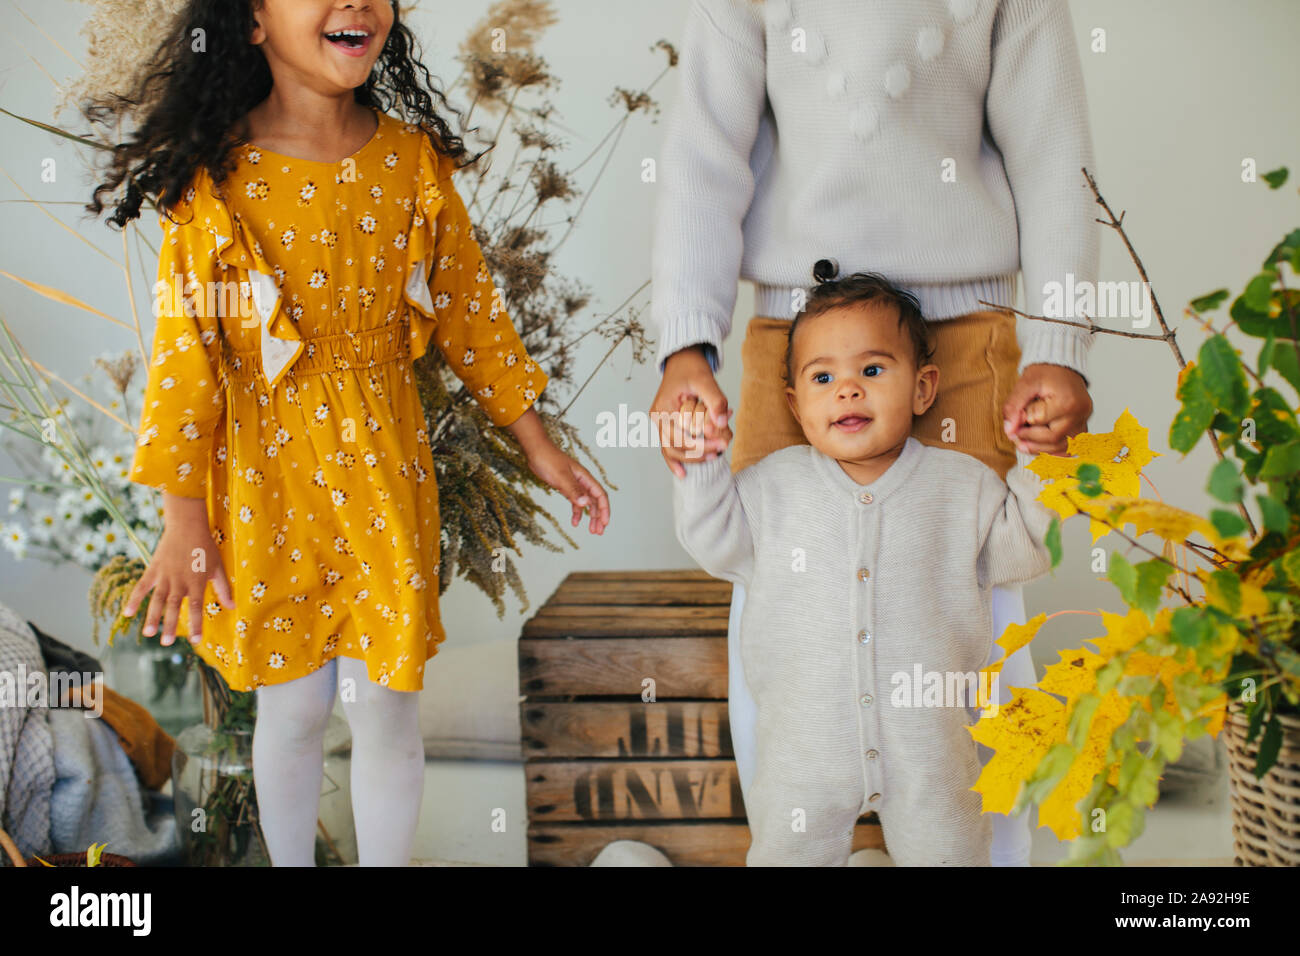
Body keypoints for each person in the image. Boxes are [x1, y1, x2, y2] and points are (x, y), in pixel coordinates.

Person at [90, 0, 609, 866]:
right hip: (265, 481)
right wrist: (183, 519)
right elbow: (187, 357)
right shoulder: (213, 179)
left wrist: (536, 440)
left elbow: (471, 313)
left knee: (384, 706)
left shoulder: (412, 161)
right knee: (293, 711)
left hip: (380, 472)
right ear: (253, 22)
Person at [650, 0, 1096, 865]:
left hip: (968, 322)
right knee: (775, 605)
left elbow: (1055, 153)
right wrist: (684, 345)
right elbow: (703, 155)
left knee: (982, 609)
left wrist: (1060, 347)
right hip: (795, 330)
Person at [673, 272, 1056, 865]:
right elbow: (712, 542)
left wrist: (1041, 463)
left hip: (932, 746)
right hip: (803, 748)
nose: (847, 390)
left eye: (872, 371)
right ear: (797, 405)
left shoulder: (963, 487)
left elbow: (1024, 548)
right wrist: (701, 464)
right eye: (823, 377)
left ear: (924, 389)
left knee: (954, 851)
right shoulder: (770, 488)